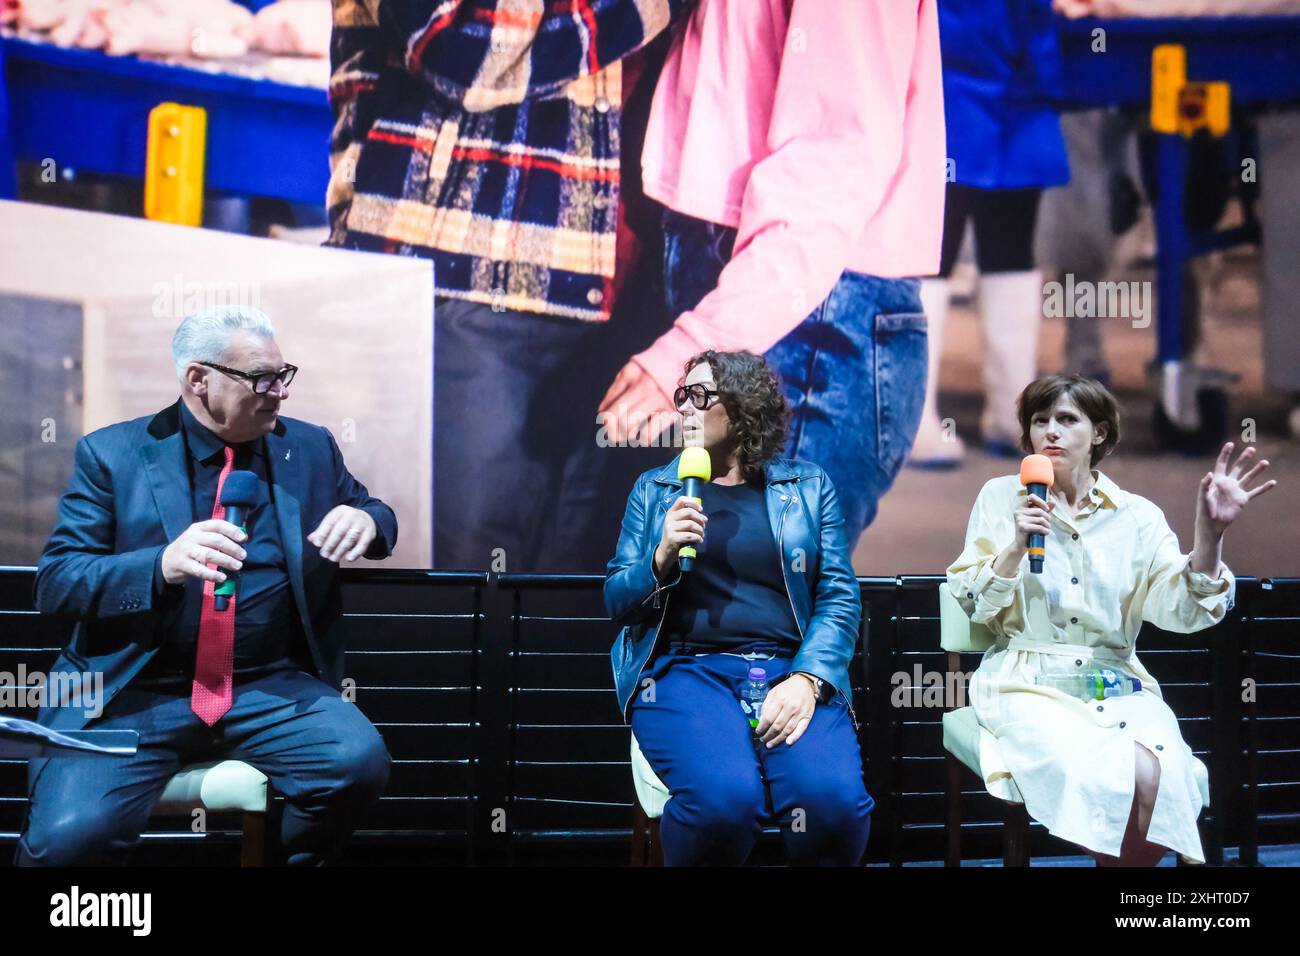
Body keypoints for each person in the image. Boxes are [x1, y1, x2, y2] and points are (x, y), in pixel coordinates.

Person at [18, 307, 397, 866]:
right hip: (134, 690)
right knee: (71, 839)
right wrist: (160, 565)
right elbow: (57, 581)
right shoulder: (113, 455)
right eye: (260, 379)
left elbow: (371, 508)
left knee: (356, 763)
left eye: (283, 374)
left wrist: (370, 523)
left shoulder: (310, 449)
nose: (279, 393)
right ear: (198, 380)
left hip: (264, 685)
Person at [326, 0, 688, 571]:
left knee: (580, 615)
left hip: (643, 302)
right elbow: (464, 46)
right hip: (471, 284)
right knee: (458, 602)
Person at [599, 0, 945, 543]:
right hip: (767, 297)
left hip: (808, 315)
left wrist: (692, 350)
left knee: (759, 609)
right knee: (725, 606)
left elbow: (831, 171)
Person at [947, 374, 1276, 864]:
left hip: (1114, 678)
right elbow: (976, 604)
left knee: (1156, 773)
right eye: (1040, 422)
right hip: (1028, 680)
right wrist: (1015, 548)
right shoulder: (1002, 499)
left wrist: (1210, 538)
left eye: (1066, 419)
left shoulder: (1137, 516)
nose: (1050, 432)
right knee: (1098, 771)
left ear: (1098, 433)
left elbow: (1183, 611)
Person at [605, 350, 872, 866]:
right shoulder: (656, 489)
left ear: (744, 406)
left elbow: (839, 596)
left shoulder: (808, 487)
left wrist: (808, 679)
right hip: (683, 673)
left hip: (787, 672)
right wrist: (659, 557)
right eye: (683, 394)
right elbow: (617, 600)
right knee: (723, 805)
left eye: (701, 395)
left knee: (833, 805)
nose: (684, 407)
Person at [909, 0, 1070, 466]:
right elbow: (1036, 32)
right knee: (1010, 258)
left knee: (930, 263)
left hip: (941, 102)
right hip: (1013, 109)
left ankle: (915, 421)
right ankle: (1014, 417)